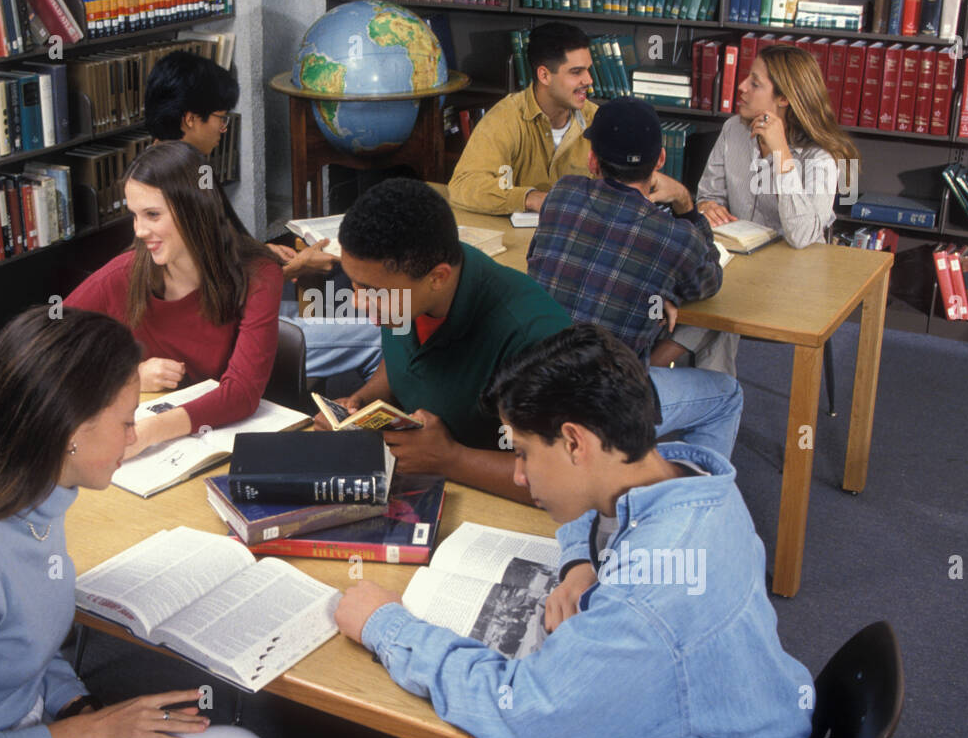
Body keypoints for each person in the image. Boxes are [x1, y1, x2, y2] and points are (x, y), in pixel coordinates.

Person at [335, 325, 813, 738]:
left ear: (574, 443)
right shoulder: (691, 478)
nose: (519, 475)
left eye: (522, 452)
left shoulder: (642, 604)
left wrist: (387, 625)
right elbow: (594, 507)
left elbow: (522, 716)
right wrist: (578, 561)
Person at [0, 307, 259, 738]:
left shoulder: (31, 502)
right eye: (127, 422)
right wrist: (85, 733)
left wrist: (76, 703)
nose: (134, 437)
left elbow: (22, 646)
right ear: (69, 430)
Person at [318, 179, 743, 504]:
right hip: (432, 482)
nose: (359, 303)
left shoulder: (530, 334)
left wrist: (450, 458)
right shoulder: (401, 297)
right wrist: (359, 404)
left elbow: (571, 479)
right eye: (353, 286)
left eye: (371, 291)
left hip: (495, 502)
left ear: (439, 277)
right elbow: (403, 357)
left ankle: (693, 509)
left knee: (723, 396)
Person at [144, 50, 382, 380]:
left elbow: (213, 255)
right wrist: (294, 268)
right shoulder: (179, 187)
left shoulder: (157, 169)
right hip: (225, 336)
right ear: (189, 119)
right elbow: (210, 292)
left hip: (226, 318)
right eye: (220, 118)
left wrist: (259, 252)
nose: (223, 129)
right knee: (378, 334)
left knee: (336, 307)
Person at [651, 44, 861, 374]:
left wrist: (781, 157)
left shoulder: (824, 157)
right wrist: (707, 205)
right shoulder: (734, 129)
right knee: (706, 290)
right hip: (734, 260)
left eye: (755, 82)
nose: (741, 87)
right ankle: (702, 399)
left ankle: (650, 369)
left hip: (791, 281)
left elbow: (804, 235)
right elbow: (709, 193)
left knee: (719, 304)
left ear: (785, 98)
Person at [65, 141, 282, 455]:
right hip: (157, 439)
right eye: (135, 216)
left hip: (225, 441)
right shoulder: (123, 274)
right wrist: (130, 376)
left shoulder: (260, 275)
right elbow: (42, 344)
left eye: (152, 215)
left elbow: (242, 392)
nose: (138, 230)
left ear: (195, 210)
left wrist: (148, 433)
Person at [527, 96, 724, 361]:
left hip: (534, 379)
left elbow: (536, 261)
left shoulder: (561, 193)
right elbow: (708, 284)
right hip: (609, 396)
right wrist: (685, 202)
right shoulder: (677, 239)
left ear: (592, 161)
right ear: (661, 160)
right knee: (728, 392)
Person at [447, 22, 597, 215]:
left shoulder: (598, 119)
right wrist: (531, 198)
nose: (589, 80)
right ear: (544, 75)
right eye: (577, 72)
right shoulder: (504, 118)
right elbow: (463, 186)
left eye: (588, 69)